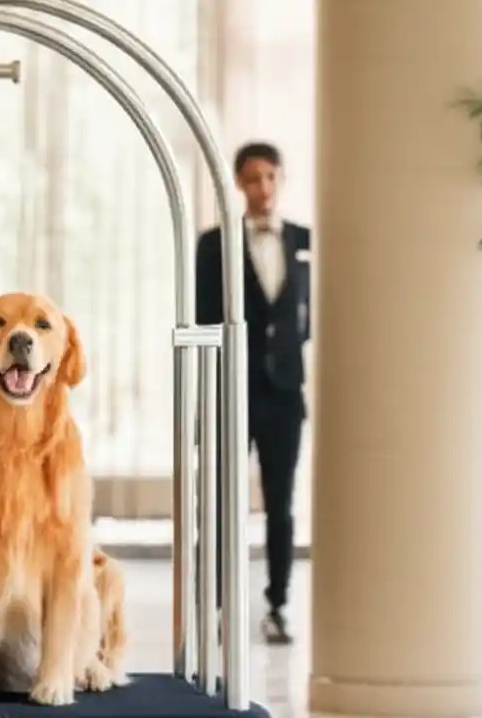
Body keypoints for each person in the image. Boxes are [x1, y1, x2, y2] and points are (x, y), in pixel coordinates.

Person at [195, 141, 310, 645]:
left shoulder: (305, 241)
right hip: (231, 392)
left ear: (280, 178)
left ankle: (278, 605)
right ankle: (215, 608)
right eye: (252, 179)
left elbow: (311, 313)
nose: (262, 188)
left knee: (282, 505)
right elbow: (202, 317)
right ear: (238, 184)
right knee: (222, 502)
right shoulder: (211, 244)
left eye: (270, 177)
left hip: (285, 394)